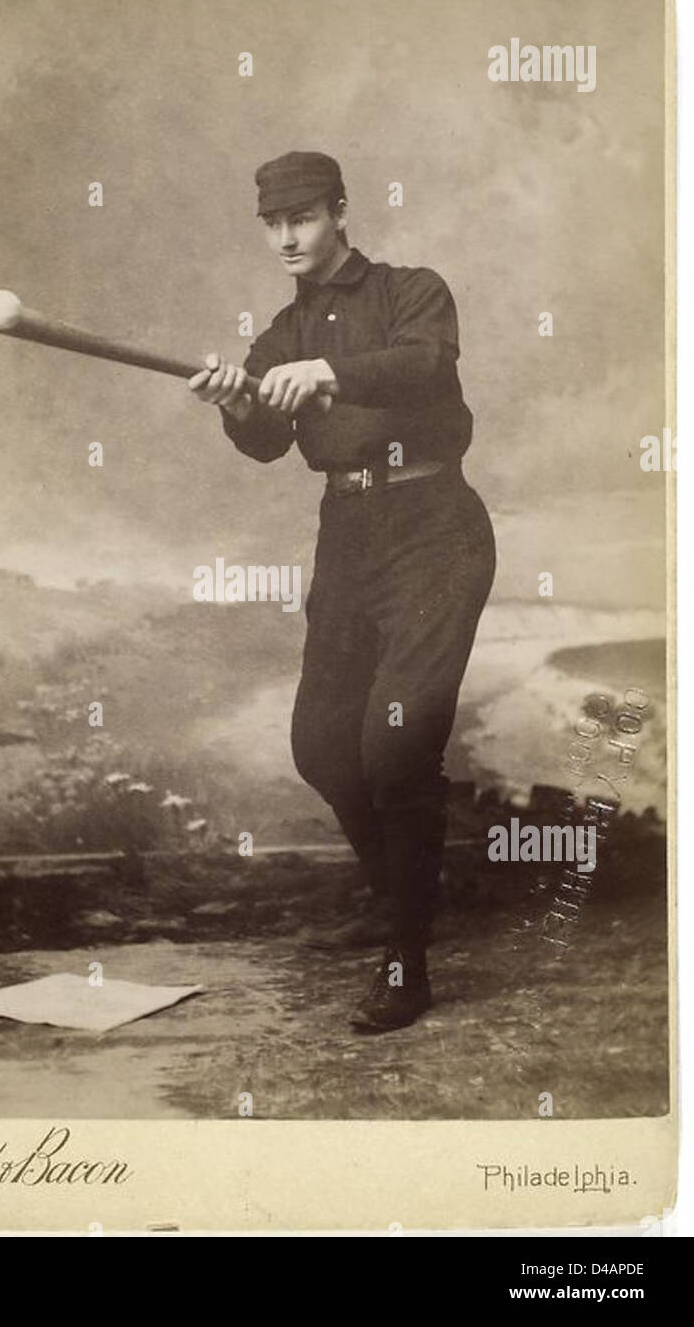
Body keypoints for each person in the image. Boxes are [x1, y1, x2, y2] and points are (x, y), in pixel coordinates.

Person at [188, 151, 496, 1032]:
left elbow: (424, 367)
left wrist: (328, 374)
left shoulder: (411, 292)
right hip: (348, 540)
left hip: (435, 532)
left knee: (396, 754)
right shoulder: (280, 332)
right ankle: (406, 898)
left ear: (339, 212)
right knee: (324, 746)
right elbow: (262, 447)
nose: (285, 236)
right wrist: (233, 403)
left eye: (303, 218)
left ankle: (408, 961)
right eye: (272, 223)